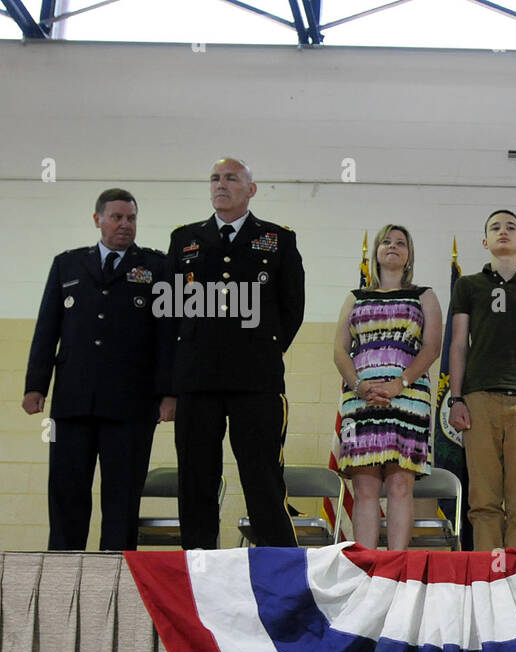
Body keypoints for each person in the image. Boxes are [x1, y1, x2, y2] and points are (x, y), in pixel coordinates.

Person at [165, 157, 305, 549]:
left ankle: (276, 565)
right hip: (197, 378)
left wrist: (263, 348)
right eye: (215, 179)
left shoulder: (277, 238)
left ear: (251, 190)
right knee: (196, 477)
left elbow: (292, 307)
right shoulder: (185, 238)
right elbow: (170, 311)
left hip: (256, 379)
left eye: (230, 178)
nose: (220, 185)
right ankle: (199, 563)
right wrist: (170, 384)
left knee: (262, 477)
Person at [22, 188, 171, 551]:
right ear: (97, 220)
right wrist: (35, 385)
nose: (125, 225)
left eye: (131, 218)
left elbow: (168, 336)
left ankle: (114, 574)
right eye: (117, 217)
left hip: (132, 405)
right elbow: (47, 328)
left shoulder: (157, 267)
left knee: (122, 497)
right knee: (66, 492)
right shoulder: (68, 265)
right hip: (73, 401)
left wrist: (169, 393)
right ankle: (63, 571)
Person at [446, 209, 516, 550]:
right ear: (485, 242)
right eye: (495, 227)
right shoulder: (468, 286)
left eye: (511, 227)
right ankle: (488, 572)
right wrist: (456, 398)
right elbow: (458, 344)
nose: (503, 231)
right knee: (483, 502)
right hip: (479, 398)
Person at [332, 225, 443, 550]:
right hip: (360, 400)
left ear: (409, 255)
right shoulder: (355, 297)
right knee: (364, 487)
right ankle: (365, 566)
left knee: (399, 484)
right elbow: (339, 350)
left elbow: (432, 347)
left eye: (400, 243)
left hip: (408, 399)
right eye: (386, 242)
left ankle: (395, 566)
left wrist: (399, 383)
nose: (392, 246)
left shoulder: (424, 296)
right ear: (376, 252)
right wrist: (358, 385)